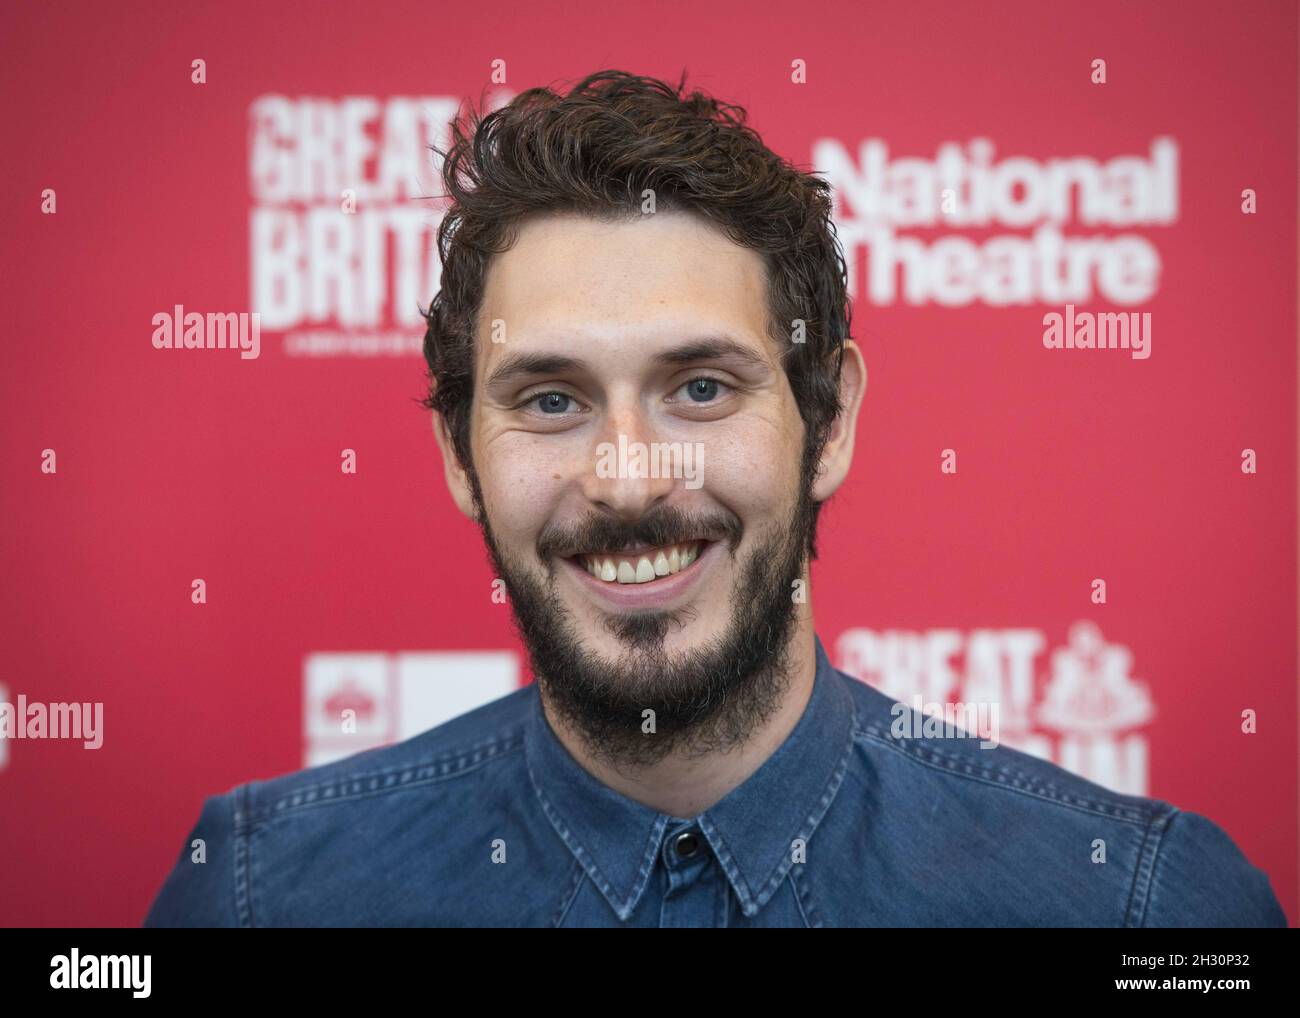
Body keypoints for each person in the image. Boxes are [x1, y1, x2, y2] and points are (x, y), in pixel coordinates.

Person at [144, 69, 1286, 927]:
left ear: (825, 421)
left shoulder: (1143, 906)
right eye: (550, 400)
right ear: (458, 452)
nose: (628, 475)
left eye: (699, 387)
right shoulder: (259, 891)